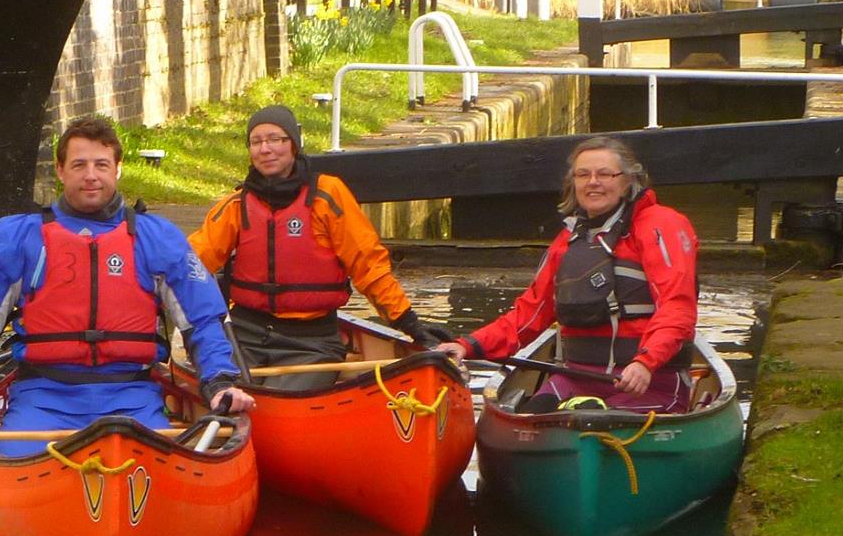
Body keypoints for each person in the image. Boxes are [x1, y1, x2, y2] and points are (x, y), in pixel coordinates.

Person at [0, 116, 252, 451]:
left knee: (164, 459)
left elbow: (203, 320)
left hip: (133, 398)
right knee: (8, 458)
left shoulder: (158, 238)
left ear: (118, 169)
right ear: (60, 170)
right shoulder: (17, 237)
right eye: (79, 165)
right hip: (41, 399)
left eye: (101, 165)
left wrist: (220, 381)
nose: (90, 175)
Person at [438, 137, 699, 412]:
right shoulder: (567, 240)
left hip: (649, 380)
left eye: (605, 174)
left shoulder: (662, 225)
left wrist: (646, 362)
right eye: (583, 175)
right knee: (532, 418)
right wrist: (467, 346)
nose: (593, 182)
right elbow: (529, 314)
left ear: (627, 181)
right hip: (576, 378)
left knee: (595, 420)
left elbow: (677, 306)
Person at [190, 105, 440, 391]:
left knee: (279, 395)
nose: (265, 149)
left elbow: (368, 265)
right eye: (256, 142)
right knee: (227, 388)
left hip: (312, 342)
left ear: (294, 144)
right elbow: (191, 264)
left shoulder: (327, 195)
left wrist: (409, 323)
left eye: (275, 139)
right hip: (244, 337)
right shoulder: (236, 205)